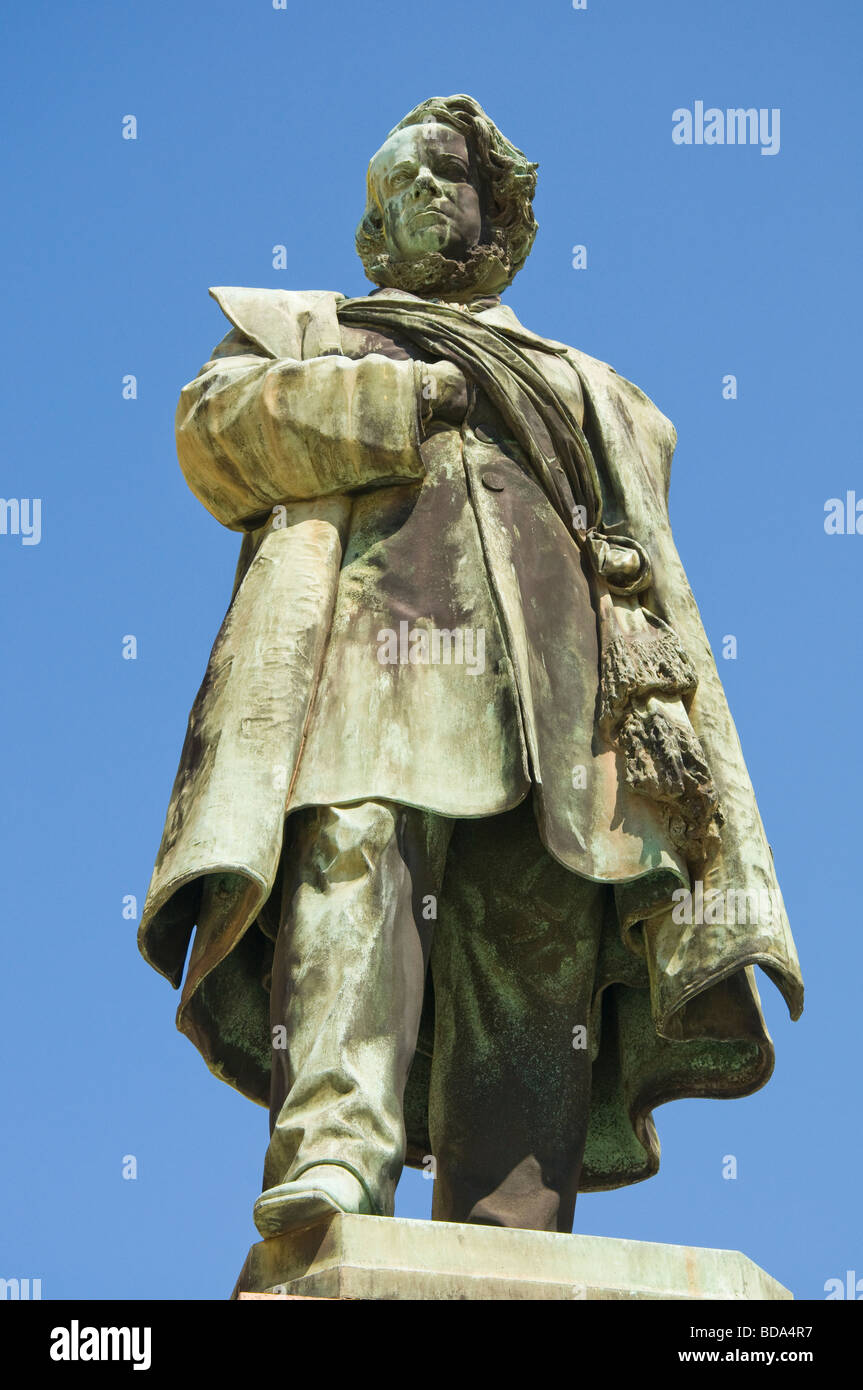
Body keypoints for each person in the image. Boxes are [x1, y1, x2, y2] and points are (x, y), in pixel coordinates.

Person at [139, 95, 803, 1238]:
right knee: (352, 865)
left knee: (537, 934)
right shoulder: (305, 328)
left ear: (498, 220)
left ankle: (510, 1221)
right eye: (405, 182)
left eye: (454, 179)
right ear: (369, 231)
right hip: (366, 669)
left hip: (555, 699)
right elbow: (217, 432)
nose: (433, 195)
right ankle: (334, 1156)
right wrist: (410, 394)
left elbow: (639, 492)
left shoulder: (576, 377)